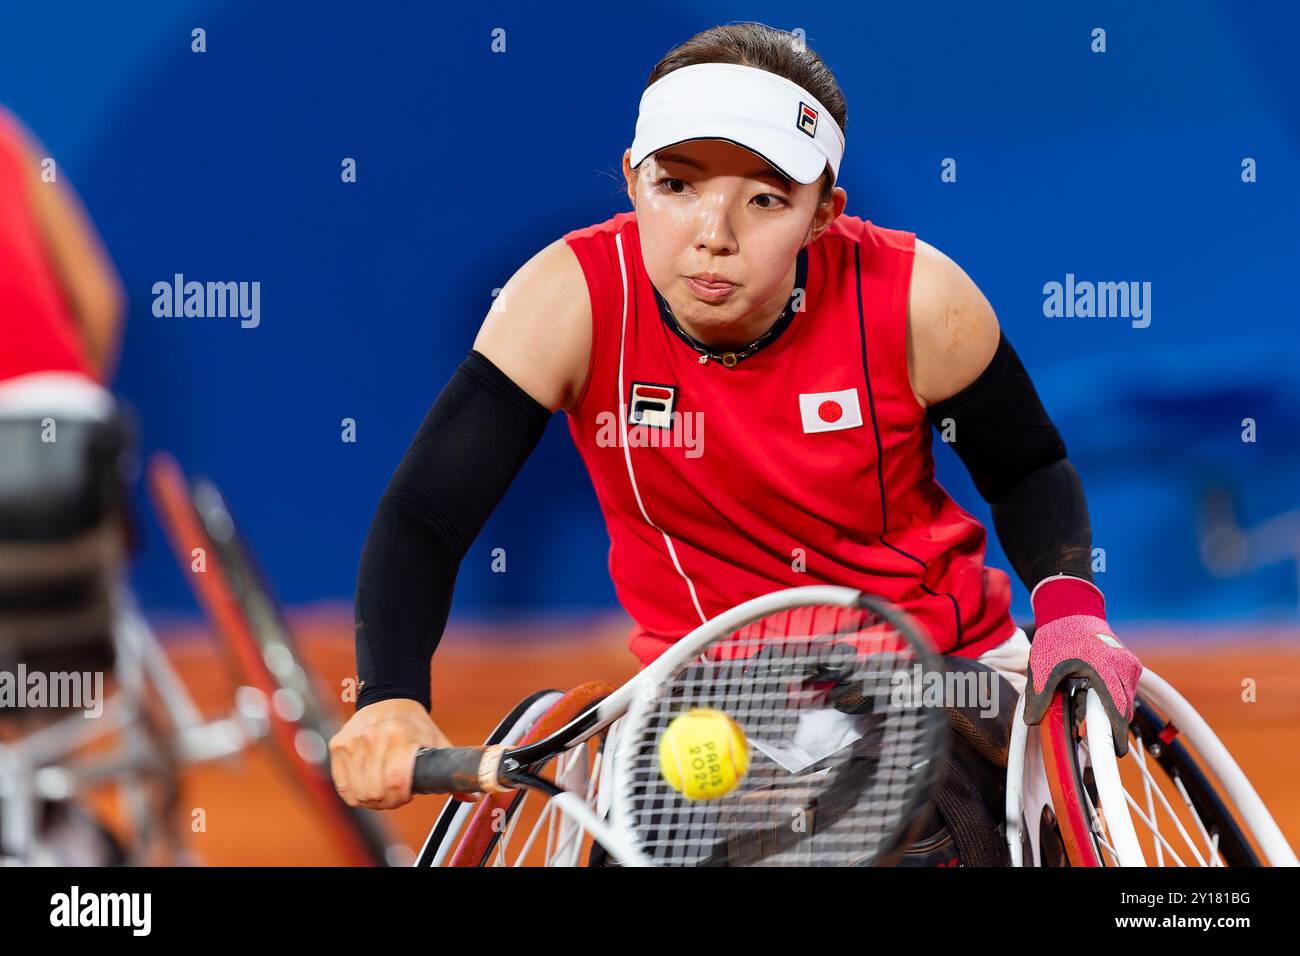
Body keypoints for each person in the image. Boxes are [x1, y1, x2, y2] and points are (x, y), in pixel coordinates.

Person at [328, 23, 1142, 835]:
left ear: (824, 212)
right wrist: (390, 696)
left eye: (764, 199)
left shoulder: (917, 300)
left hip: (937, 673)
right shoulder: (566, 301)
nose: (712, 236)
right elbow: (425, 516)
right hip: (706, 701)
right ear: (631, 180)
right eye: (677, 186)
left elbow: (1030, 469)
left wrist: (1070, 610)